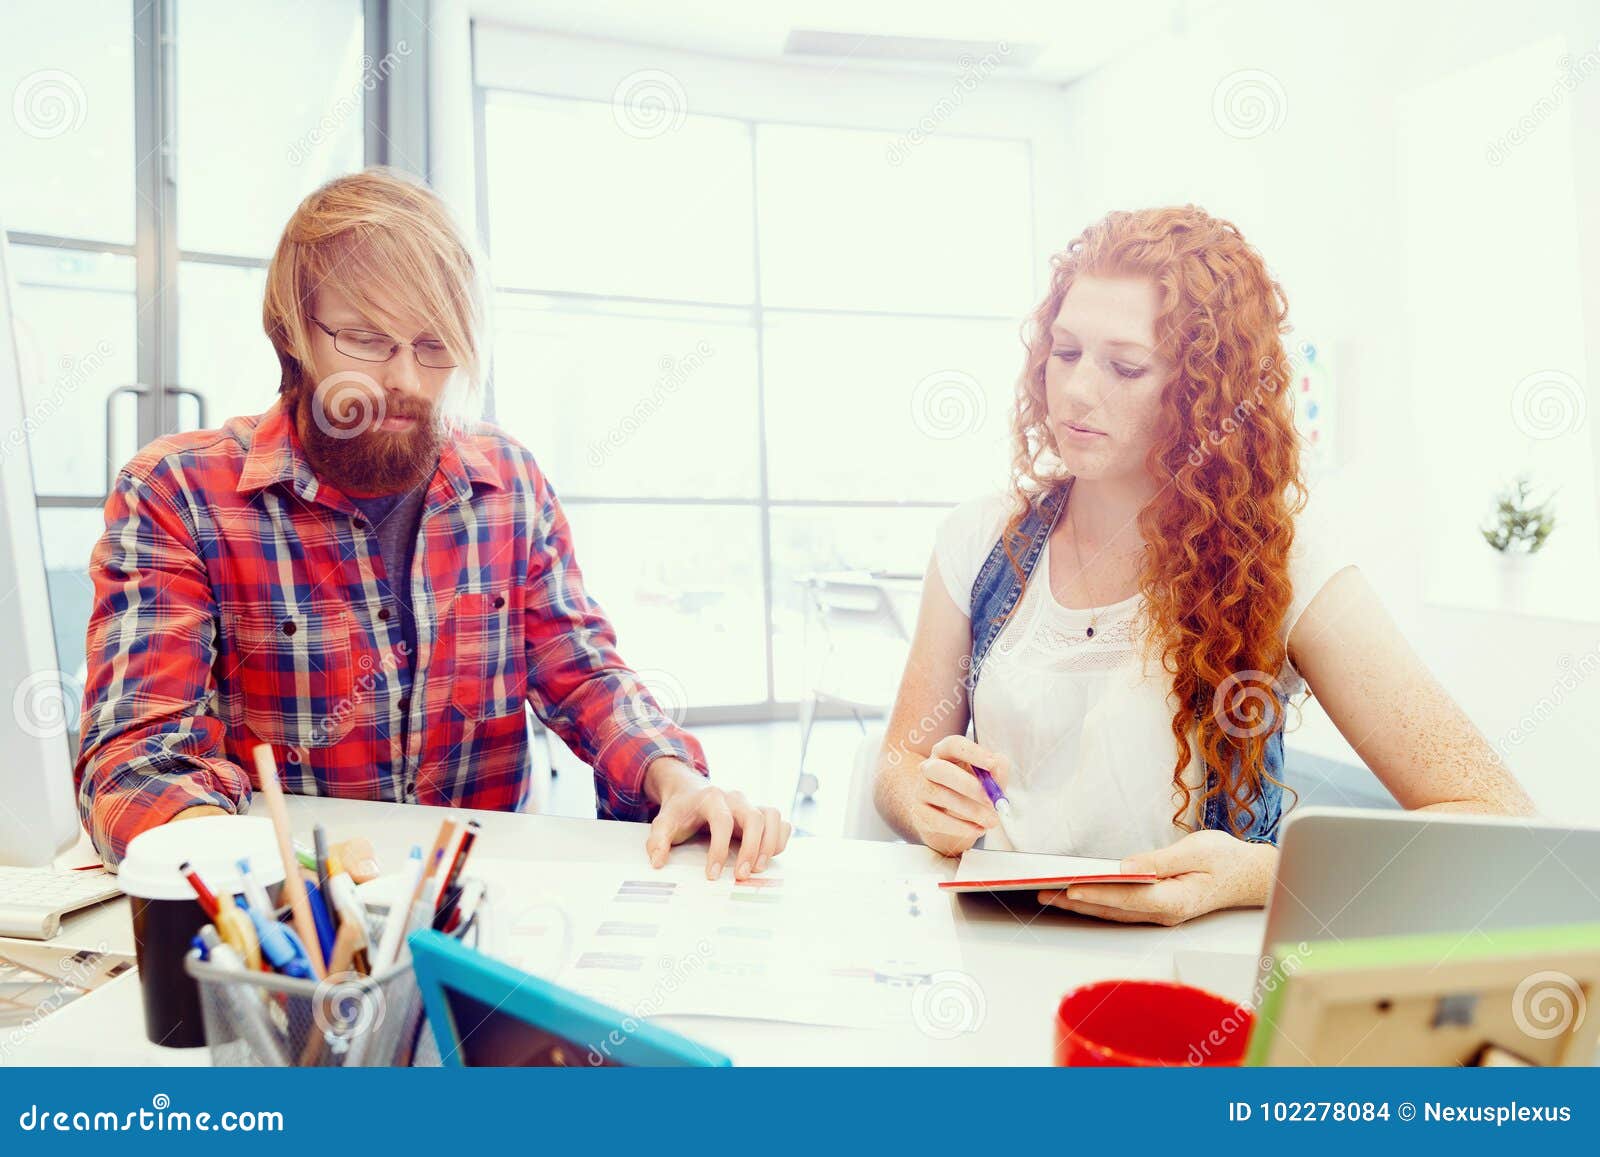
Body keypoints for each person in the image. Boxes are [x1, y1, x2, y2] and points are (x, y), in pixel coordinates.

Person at [75, 167, 789, 880]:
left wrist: (677, 780)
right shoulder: (177, 493)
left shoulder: (507, 480)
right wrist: (271, 866)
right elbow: (132, 761)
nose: (408, 382)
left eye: (435, 346)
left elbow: (583, 672)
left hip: (480, 910)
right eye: (365, 340)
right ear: (292, 336)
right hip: (287, 921)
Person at [874, 205, 1533, 925]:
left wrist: (1261, 872)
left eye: (1125, 365)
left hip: (1183, 993)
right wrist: (924, 802)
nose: (1076, 391)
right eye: (1065, 353)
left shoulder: (1286, 566)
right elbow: (898, 767)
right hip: (990, 963)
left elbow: (1499, 819)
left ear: (1202, 388)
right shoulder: (980, 538)